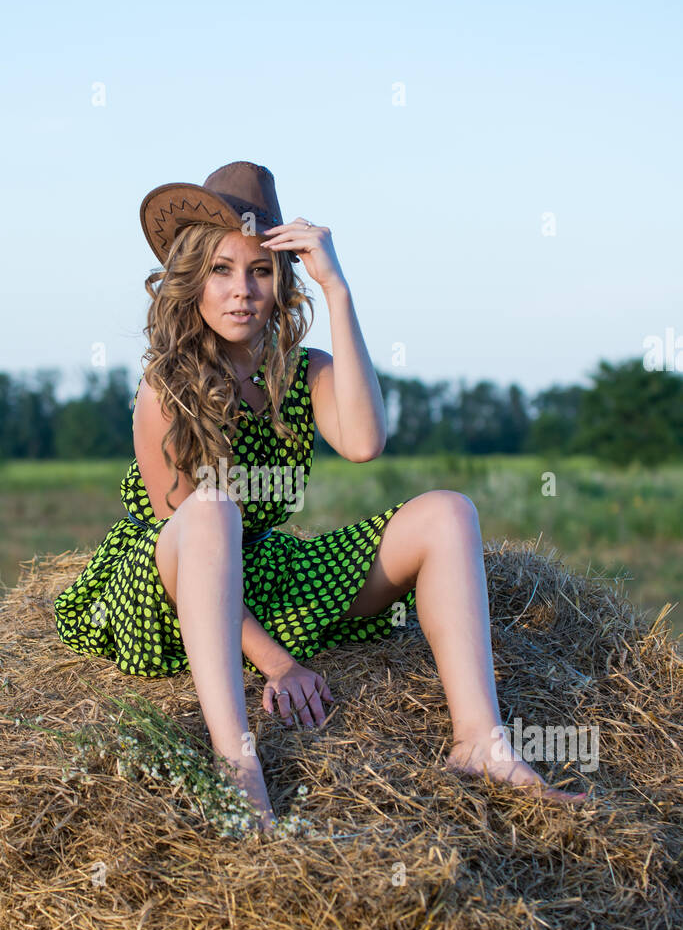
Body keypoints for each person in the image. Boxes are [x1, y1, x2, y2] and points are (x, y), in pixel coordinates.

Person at [54, 161, 586, 832]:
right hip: (165, 584)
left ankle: (479, 741)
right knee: (212, 507)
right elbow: (188, 544)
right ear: (190, 282)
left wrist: (337, 288)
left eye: (260, 271)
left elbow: (364, 442)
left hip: (260, 569)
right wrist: (278, 664)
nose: (241, 291)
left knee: (449, 511)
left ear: (282, 284)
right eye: (221, 270)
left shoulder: (306, 373)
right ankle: (237, 769)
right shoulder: (166, 390)